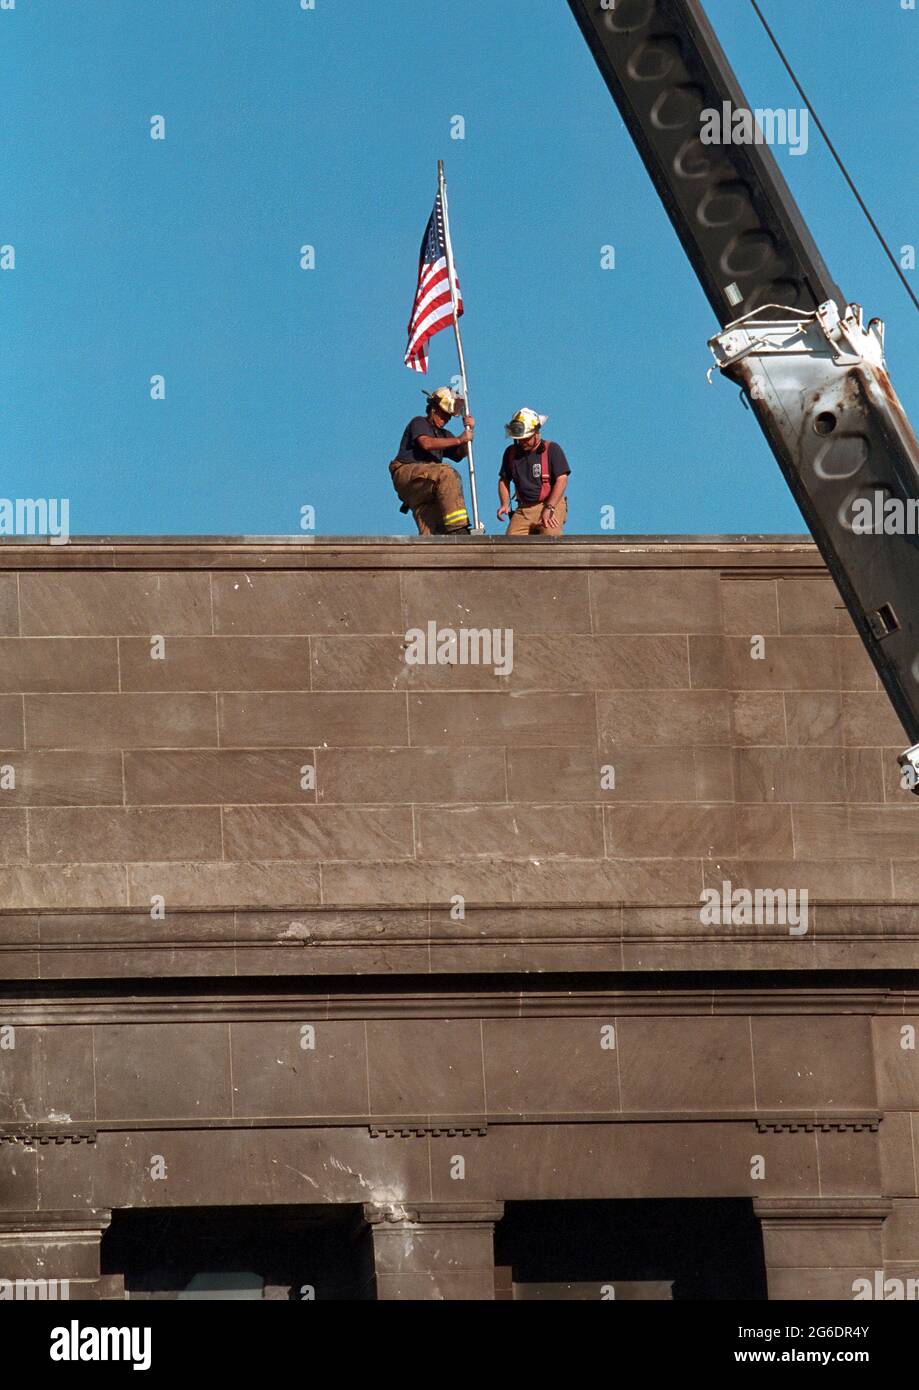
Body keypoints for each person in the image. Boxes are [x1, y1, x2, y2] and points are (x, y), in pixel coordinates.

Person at [390, 387, 474, 534]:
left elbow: (459, 455)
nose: (446, 419)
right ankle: (458, 528)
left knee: (434, 535)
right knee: (446, 474)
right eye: (443, 414)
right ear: (434, 409)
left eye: (448, 416)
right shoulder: (420, 422)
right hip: (407, 474)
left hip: (425, 487)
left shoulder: (443, 434)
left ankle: (442, 544)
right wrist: (459, 439)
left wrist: (468, 433)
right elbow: (426, 443)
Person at [497, 408, 570, 536]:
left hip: (550, 503)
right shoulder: (511, 453)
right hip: (524, 509)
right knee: (510, 546)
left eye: (526, 438)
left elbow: (562, 480)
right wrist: (504, 503)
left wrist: (550, 508)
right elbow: (504, 480)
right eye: (519, 439)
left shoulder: (552, 449)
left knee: (551, 538)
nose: (522, 442)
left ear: (536, 433)